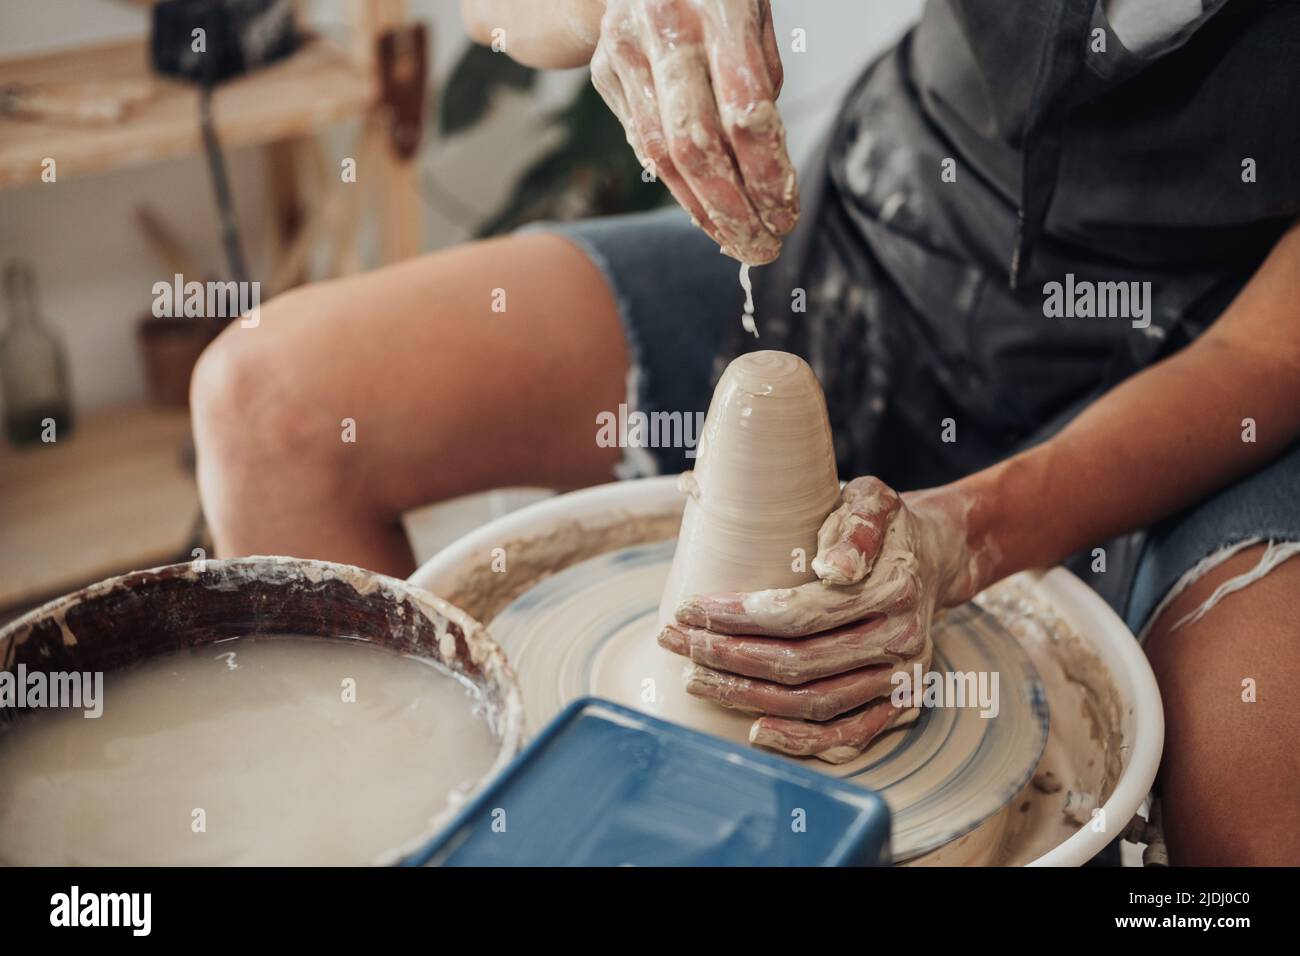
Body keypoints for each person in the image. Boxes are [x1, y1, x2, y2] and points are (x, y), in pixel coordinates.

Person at [190, 0, 1300, 864]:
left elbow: (1264, 360)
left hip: (1214, 346)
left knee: (1262, 805)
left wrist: (977, 529)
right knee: (270, 405)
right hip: (891, 238)